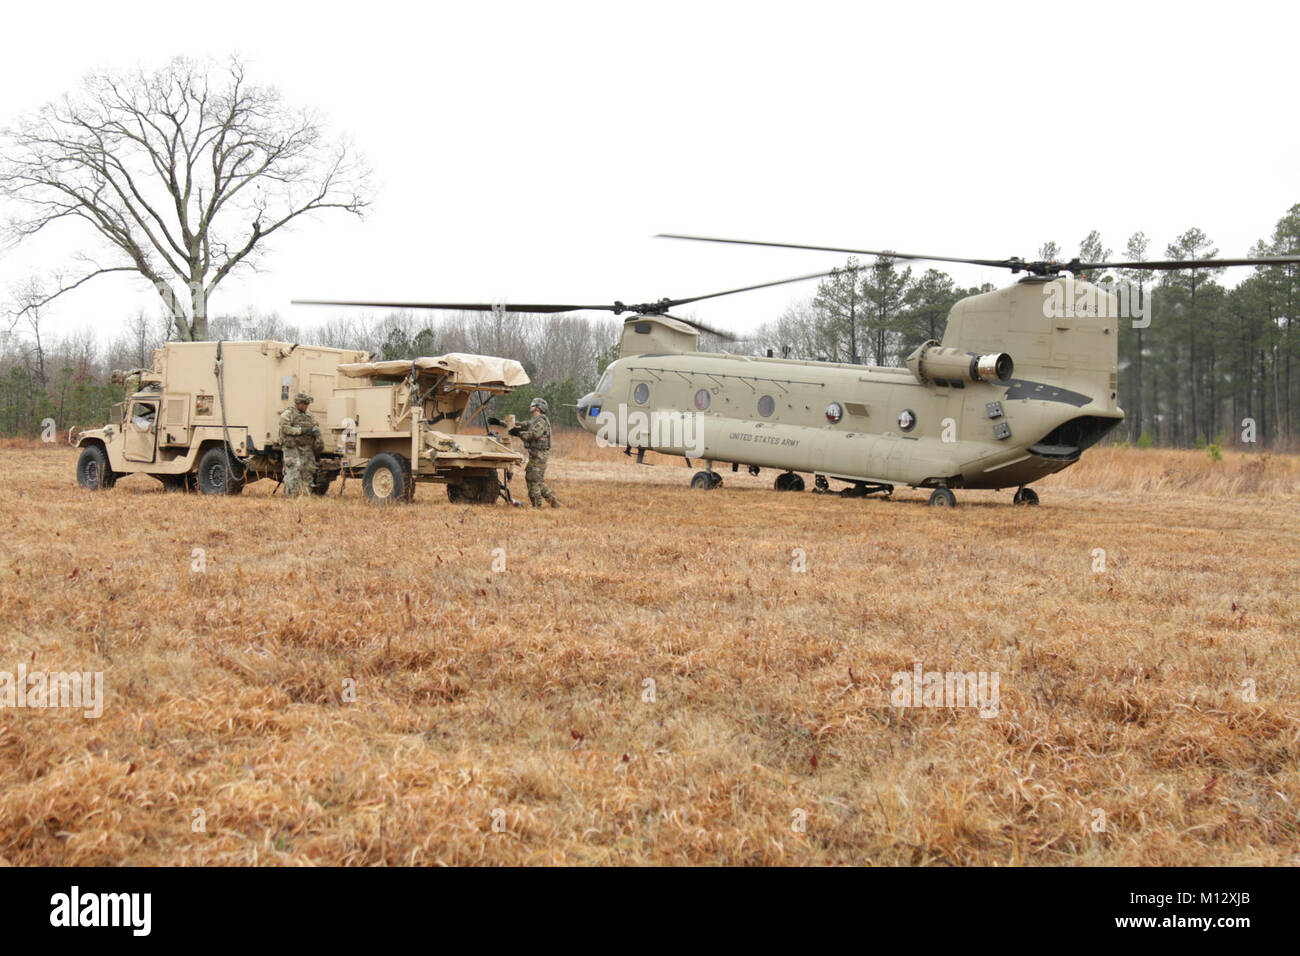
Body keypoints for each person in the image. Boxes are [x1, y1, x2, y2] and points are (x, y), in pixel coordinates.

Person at [500, 397, 559, 508]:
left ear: (538, 408)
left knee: (534, 480)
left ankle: (537, 506)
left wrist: (518, 434)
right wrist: (501, 423)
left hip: (539, 456)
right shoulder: (535, 421)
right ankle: (554, 502)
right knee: (535, 480)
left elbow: (533, 435)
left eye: (533, 404)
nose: (530, 406)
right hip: (536, 455)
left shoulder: (541, 422)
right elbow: (520, 424)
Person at [279, 392, 322, 497]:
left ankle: (306, 493)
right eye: (304, 404)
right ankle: (291, 495)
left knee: (308, 469)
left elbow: (314, 425)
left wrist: (315, 432)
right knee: (294, 469)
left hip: (306, 447)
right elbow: (284, 428)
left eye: (307, 404)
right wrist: (301, 430)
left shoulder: (308, 414)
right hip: (291, 447)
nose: (306, 406)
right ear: (298, 403)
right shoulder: (288, 414)